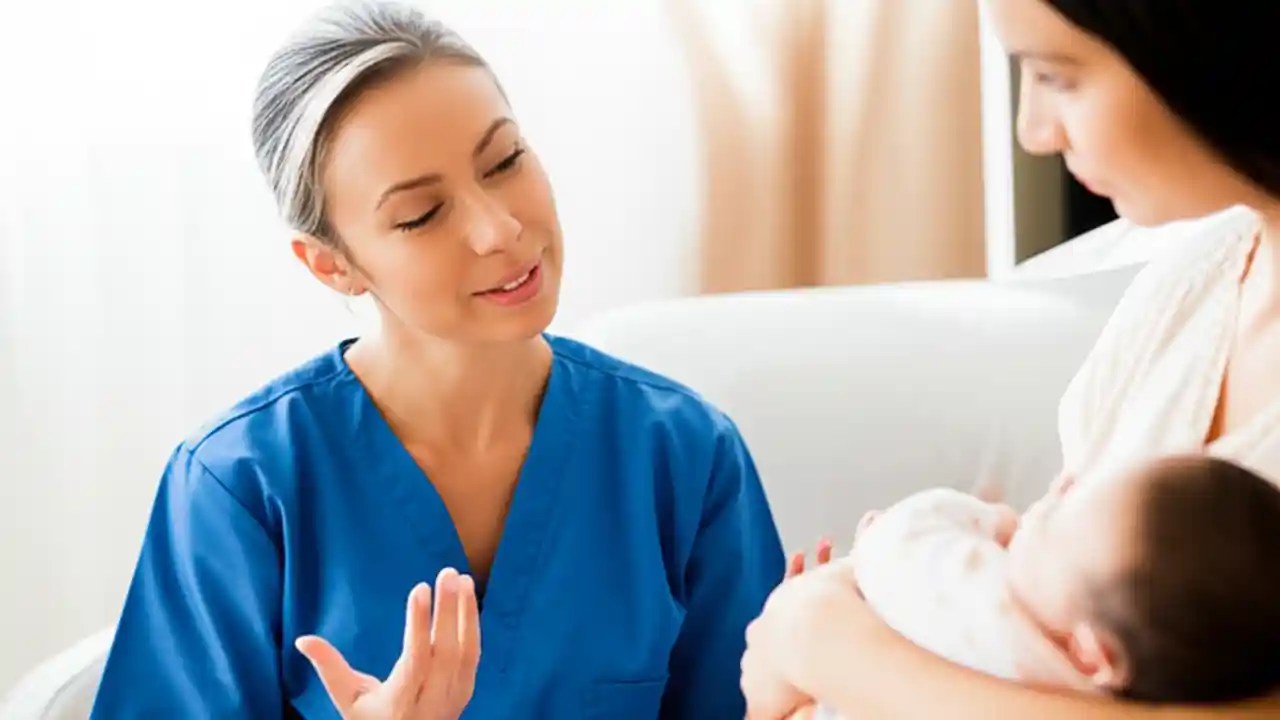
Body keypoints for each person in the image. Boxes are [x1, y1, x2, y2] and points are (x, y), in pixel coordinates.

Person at [88, 2, 785, 718]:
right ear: (332, 266)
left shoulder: (683, 456)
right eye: (422, 215)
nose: (500, 228)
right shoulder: (242, 489)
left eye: (505, 161)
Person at [740, 0, 1280, 717]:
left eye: (1058, 76)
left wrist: (826, 642)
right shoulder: (1188, 294)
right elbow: (1034, 610)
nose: (1032, 131)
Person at [804, 455, 1280, 720]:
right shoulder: (1114, 688)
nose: (1044, 502)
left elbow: (903, 540)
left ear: (1091, 653)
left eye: (1053, 522)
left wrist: (989, 522)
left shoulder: (996, 623)